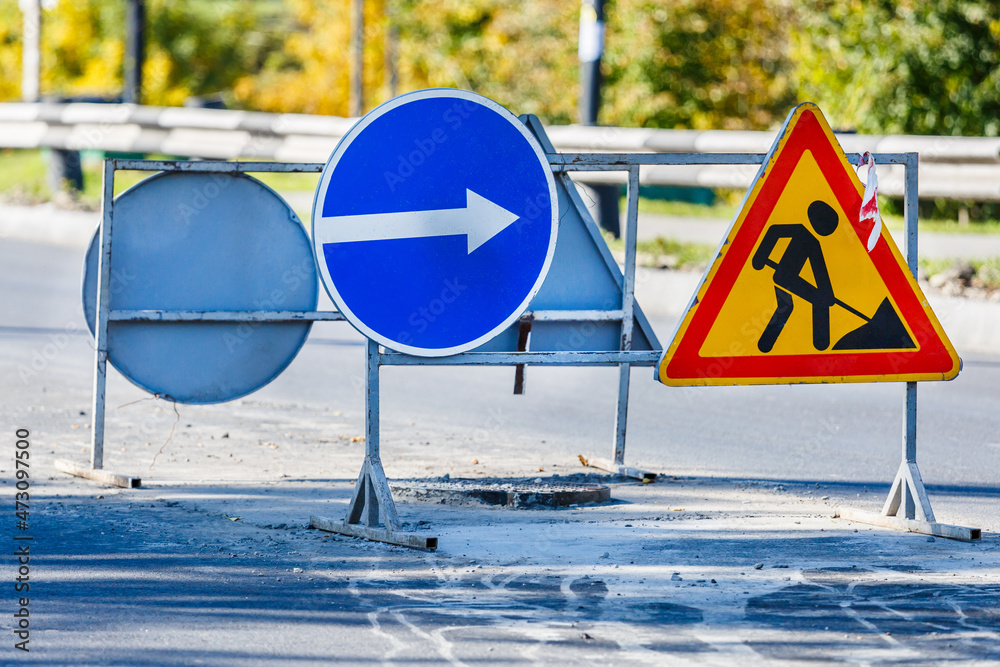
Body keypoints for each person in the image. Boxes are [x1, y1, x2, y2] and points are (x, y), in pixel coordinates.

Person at [751, 200, 839, 352]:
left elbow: (820, 272)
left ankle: (765, 345)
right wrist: (759, 257)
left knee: (789, 306)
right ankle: (820, 343)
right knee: (811, 302)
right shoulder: (803, 234)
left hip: (787, 279)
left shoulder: (812, 242)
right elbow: (774, 231)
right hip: (785, 278)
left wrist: (828, 294)